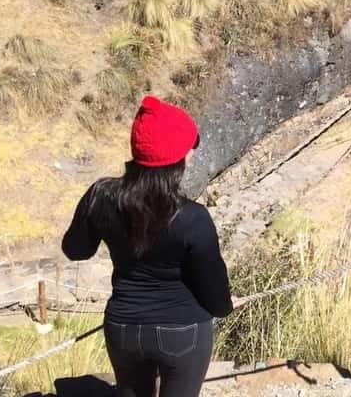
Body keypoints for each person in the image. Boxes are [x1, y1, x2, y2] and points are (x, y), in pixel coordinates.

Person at [63, 96, 233, 397]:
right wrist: (228, 304)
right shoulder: (193, 217)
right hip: (183, 331)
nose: (192, 153)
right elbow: (217, 301)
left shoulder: (100, 195)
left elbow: (76, 250)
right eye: (189, 147)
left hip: (123, 327)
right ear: (177, 157)